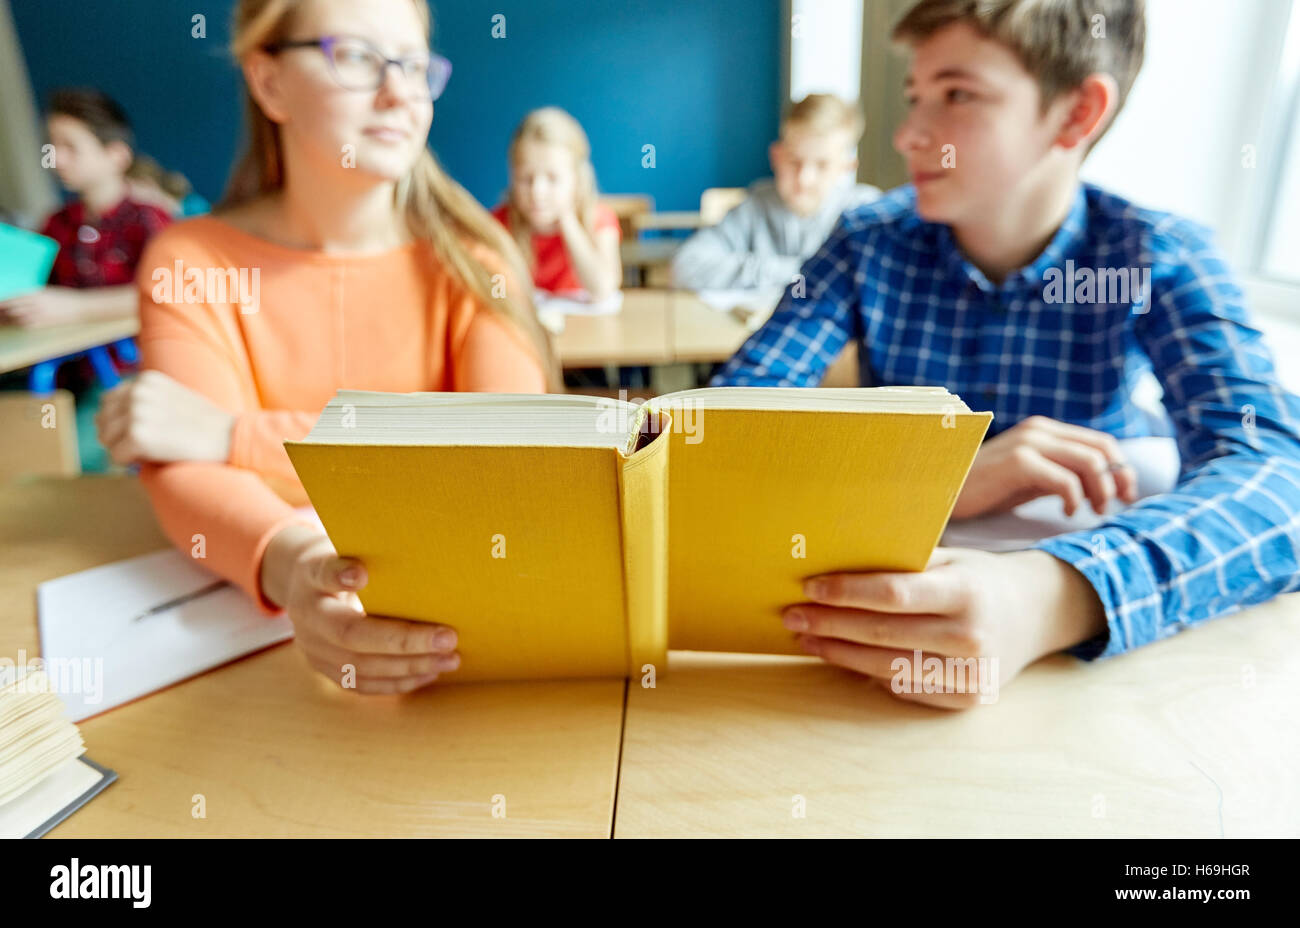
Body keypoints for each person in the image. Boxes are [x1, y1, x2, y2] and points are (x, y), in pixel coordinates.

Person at [711, 0, 1300, 707]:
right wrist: (933, 482)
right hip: (868, 651)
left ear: (1077, 113)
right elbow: (719, 432)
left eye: (957, 95)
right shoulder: (867, 239)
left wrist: (1059, 591)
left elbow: (1278, 479)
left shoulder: (1156, 254)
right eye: (915, 97)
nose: (908, 136)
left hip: (1085, 675)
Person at [95, 0, 557, 695]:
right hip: (264, 679)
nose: (398, 92)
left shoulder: (478, 262)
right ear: (269, 82)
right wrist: (300, 564)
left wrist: (231, 435)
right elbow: (185, 475)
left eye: (411, 63)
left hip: (473, 659)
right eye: (359, 56)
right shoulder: (190, 259)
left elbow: (505, 463)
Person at [671, 93, 880, 291]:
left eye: (822, 165)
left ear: (847, 167)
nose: (804, 179)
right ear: (776, 156)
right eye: (794, 161)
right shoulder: (754, 206)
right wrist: (800, 273)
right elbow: (685, 266)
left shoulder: (865, 210)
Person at [0, 89, 171, 329]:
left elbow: (170, 290)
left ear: (117, 155)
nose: (57, 159)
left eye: (70, 146)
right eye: (52, 147)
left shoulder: (147, 219)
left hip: (128, 359)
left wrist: (78, 307)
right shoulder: (56, 223)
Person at [492, 107, 622, 300]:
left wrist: (568, 221)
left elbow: (603, 290)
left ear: (577, 180)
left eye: (552, 178)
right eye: (526, 179)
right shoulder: (498, 225)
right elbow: (495, 294)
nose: (537, 192)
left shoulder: (599, 220)